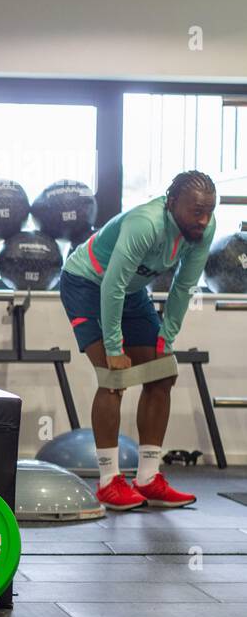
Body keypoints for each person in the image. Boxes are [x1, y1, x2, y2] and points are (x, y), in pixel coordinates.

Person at [58, 172, 218, 510]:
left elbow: (183, 286)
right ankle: (108, 482)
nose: (203, 220)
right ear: (172, 203)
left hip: (129, 291)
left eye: (208, 211)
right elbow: (110, 285)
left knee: (163, 372)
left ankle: (147, 477)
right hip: (87, 283)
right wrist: (114, 348)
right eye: (196, 212)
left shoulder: (203, 229)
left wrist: (166, 337)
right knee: (113, 377)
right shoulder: (145, 223)